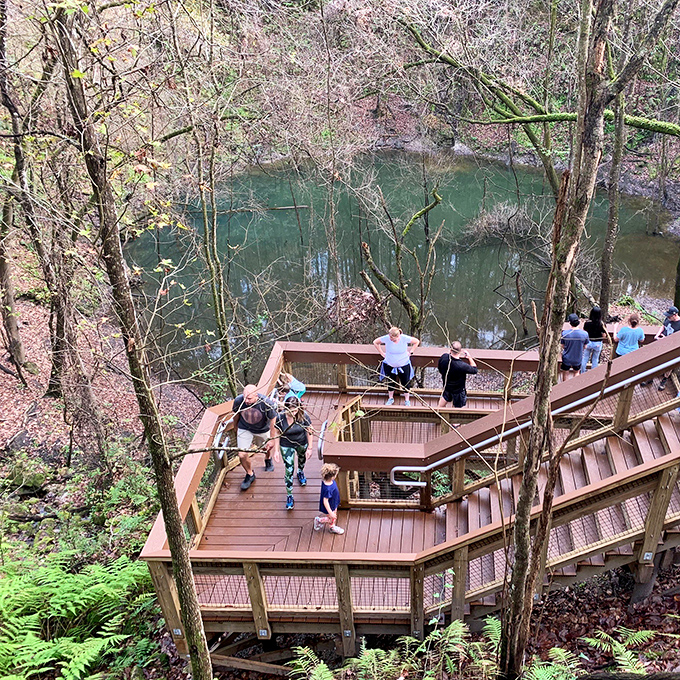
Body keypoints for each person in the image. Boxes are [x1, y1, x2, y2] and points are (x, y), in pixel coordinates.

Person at [232, 384, 280, 491]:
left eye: (249, 398)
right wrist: (235, 427)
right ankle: (250, 474)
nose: (246, 401)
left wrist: (272, 439)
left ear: (256, 396)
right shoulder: (239, 401)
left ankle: (268, 459)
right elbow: (236, 414)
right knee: (241, 454)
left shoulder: (266, 403)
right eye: (244, 397)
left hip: (262, 429)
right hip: (245, 427)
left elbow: (273, 422)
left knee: (266, 448)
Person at [276, 395, 312, 510]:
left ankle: (300, 471)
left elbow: (309, 431)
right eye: (290, 411)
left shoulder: (303, 416)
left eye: (295, 410)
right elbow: (277, 433)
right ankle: (289, 495)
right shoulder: (280, 418)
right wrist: (276, 450)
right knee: (289, 468)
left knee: (302, 459)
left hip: (301, 442)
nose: (293, 413)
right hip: (286, 444)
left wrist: (310, 448)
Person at [373, 327, 420, 406]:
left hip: (404, 364)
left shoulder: (404, 338)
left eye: (393, 338)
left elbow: (416, 341)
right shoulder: (387, 338)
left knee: (405, 383)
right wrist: (381, 353)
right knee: (390, 382)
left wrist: (411, 352)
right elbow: (375, 342)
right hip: (389, 364)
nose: (391, 339)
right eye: (390, 337)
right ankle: (390, 398)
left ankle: (407, 400)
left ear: (398, 336)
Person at [437, 341, 478, 408]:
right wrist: (469, 357)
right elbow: (475, 370)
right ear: (460, 351)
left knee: (443, 401)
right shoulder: (461, 365)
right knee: (456, 407)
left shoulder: (444, 357)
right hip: (458, 391)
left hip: (447, 387)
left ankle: (438, 412)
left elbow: (440, 368)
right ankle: (452, 415)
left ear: (450, 350)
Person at [653, 306, 680, 390]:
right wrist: (657, 335)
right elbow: (663, 326)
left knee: (670, 364)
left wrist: (667, 340)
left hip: (672, 348)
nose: (668, 317)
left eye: (669, 316)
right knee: (656, 360)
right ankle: (650, 378)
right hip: (662, 343)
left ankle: (664, 380)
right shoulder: (668, 319)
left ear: (675, 315)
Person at [314, 463, 344, 534]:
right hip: (330, 505)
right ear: (332, 476)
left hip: (333, 502)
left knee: (333, 515)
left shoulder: (328, 482)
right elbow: (325, 501)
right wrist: (330, 512)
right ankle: (320, 521)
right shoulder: (328, 489)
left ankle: (331, 526)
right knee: (332, 518)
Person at [560, 313, 589, 381]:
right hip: (578, 357)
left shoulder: (564, 334)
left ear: (570, 322)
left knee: (565, 372)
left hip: (566, 357)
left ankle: (566, 388)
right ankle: (575, 388)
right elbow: (585, 346)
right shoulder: (584, 334)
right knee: (576, 372)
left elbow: (562, 345)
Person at [581, 306, 608, 373]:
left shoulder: (587, 323)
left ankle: (582, 372)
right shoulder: (601, 324)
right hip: (597, 343)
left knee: (585, 358)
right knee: (595, 359)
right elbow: (604, 336)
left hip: (588, 342)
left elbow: (584, 332)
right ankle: (593, 373)